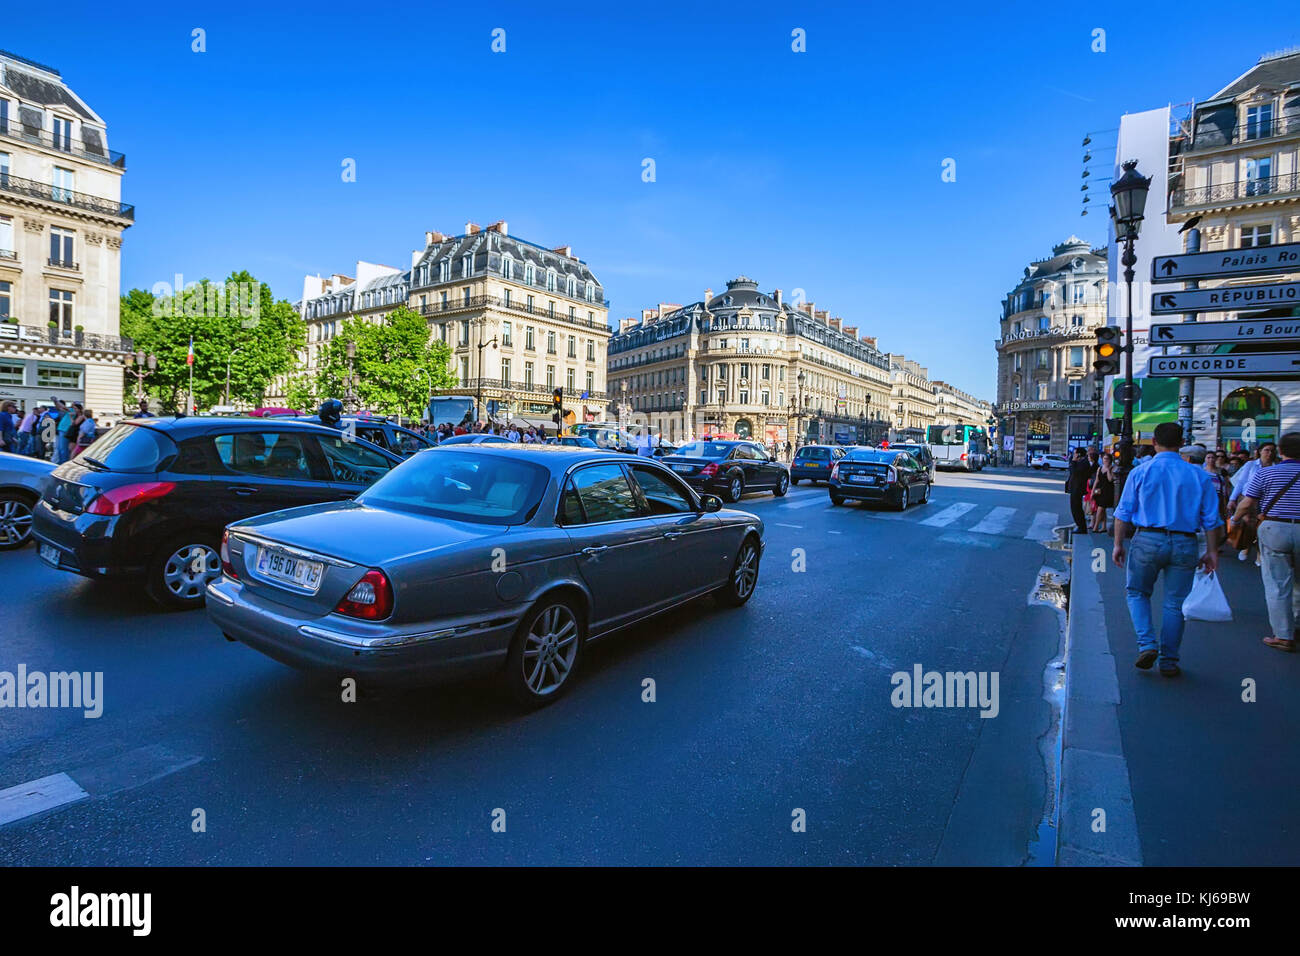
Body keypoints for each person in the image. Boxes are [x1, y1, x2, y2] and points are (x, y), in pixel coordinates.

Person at [1112, 421, 1222, 677]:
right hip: (1185, 542)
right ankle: (1169, 660)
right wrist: (1213, 551)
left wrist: (1118, 544)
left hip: (1148, 539)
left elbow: (1123, 513)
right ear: (1182, 443)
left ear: (1154, 442)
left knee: (1137, 593)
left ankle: (1147, 644)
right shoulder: (1199, 475)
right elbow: (1212, 520)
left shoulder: (1141, 472)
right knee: (1175, 603)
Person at [1230, 432, 1300, 652]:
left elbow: (1248, 502)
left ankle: (1283, 634)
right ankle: (1297, 622)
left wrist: (1234, 520)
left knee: (1278, 584)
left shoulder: (1267, 473)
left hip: (1275, 527)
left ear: (1280, 451)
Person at [1227, 442, 1275, 564]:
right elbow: (1241, 482)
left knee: (1262, 525)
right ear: (1260, 451)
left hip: (1266, 499)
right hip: (1248, 498)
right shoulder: (1251, 464)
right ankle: (1246, 547)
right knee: (1248, 523)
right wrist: (1232, 499)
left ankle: (1259, 553)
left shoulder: (1275, 466)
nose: (1269, 453)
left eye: (1272, 450)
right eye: (1267, 450)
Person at [1066, 447, 1092, 534]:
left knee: (1076, 508)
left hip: (1078, 488)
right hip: (1075, 487)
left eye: (1075, 453)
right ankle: (1080, 525)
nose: (1074, 455)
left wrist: (1073, 461)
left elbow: (1074, 472)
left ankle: (1081, 526)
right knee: (1075, 507)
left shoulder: (1083, 463)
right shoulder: (1081, 462)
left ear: (1079, 454)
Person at [1090, 452, 1116, 533]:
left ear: (1110, 460)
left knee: (1101, 508)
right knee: (1102, 509)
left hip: (1108, 491)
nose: (1105, 460)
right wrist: (1092, 491)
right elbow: (1097, 480)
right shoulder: (1100, 468)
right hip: (1100, 490)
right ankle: (1104, 526)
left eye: (1107, 459)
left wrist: (1108, 469)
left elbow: (1110, 479)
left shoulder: (1112, 468)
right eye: (1104, 459)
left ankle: (1096, 526)